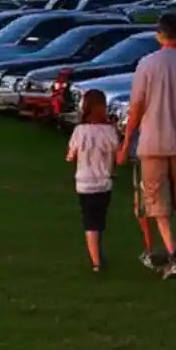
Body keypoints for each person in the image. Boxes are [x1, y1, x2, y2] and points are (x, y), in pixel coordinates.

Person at [116, 13, 176, 280]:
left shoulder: (147, 64)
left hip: (152, 142)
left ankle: (172, 254)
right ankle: (167, 249)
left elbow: (137, 107)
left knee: (156, 203)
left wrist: (126, 141)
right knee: (175, 201)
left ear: (159, 35)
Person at [66, 89, 119, 273]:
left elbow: (70, 156)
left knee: (89, 221)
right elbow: (117, 156)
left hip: (84, 182)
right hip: (104, 182)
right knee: (100, 219)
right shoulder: (110, 131)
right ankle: (99, 254)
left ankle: (96, 262)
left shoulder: (79, 131)